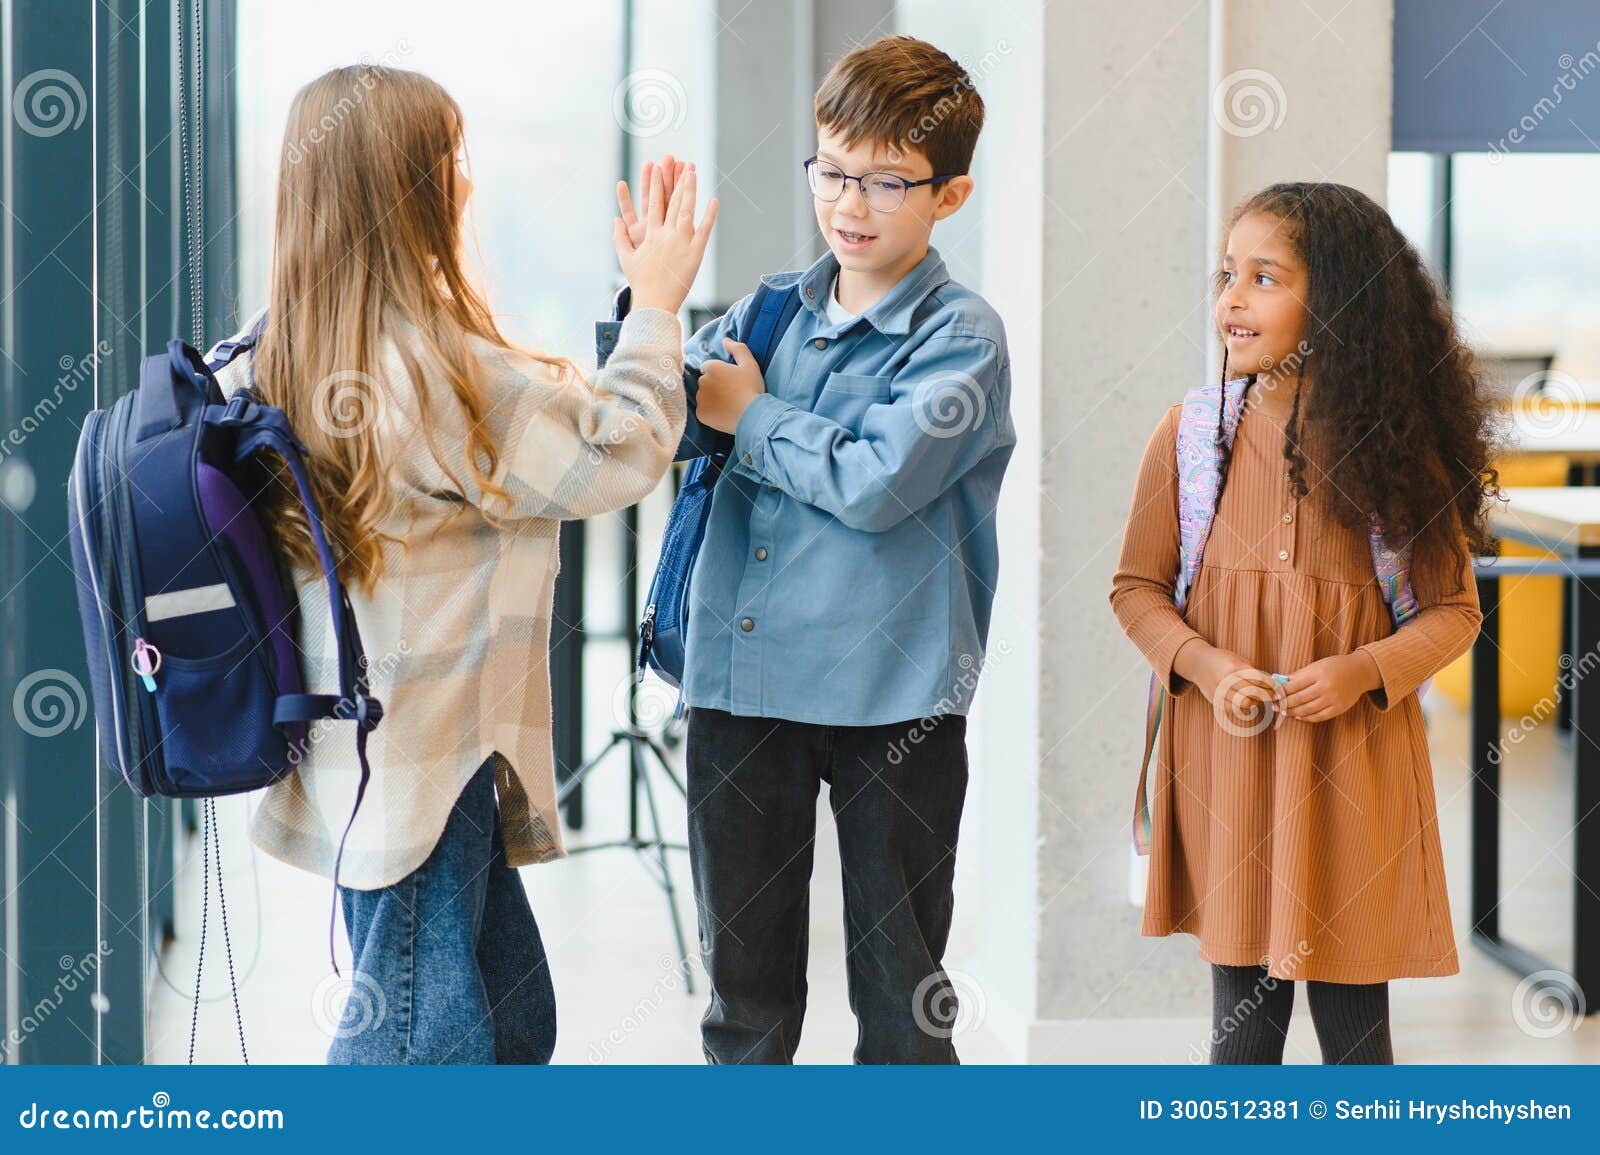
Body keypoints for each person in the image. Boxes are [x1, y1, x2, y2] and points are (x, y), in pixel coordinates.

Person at [211, 65, 716, 1064]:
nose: (468, 183)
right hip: (426, 765)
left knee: (509, 1021)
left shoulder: (282, 353)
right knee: (425, 1042)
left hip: (376, 755)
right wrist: (657, 306)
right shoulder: (433, 369)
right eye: (449, 161)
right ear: (401, 189)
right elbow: (612, 454)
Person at [616, 35, 1015, 1063]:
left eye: (886, 181)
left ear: (950, 195)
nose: (850, 204)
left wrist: (750, 414)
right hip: (742, 689)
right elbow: (645, 421)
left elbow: (876, 483)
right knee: (743, 1003)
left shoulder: (963, 337)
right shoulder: (765, 308)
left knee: (901, 995)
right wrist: (650, 305)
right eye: (832, 172)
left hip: (897, 700)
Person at [1109, 182, 1500, 1064]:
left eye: (1265, 278)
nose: (1232, 299)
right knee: (1242, 1026)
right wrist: (1208, 667)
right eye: (1227, 275)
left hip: (1354, 767)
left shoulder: (1398, 453)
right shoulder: (1190, 435)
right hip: (1230, 767)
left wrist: (1362, 671)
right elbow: (1136, 589)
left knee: (1357, 1031)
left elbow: (1453, 614)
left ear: (1341, 304)